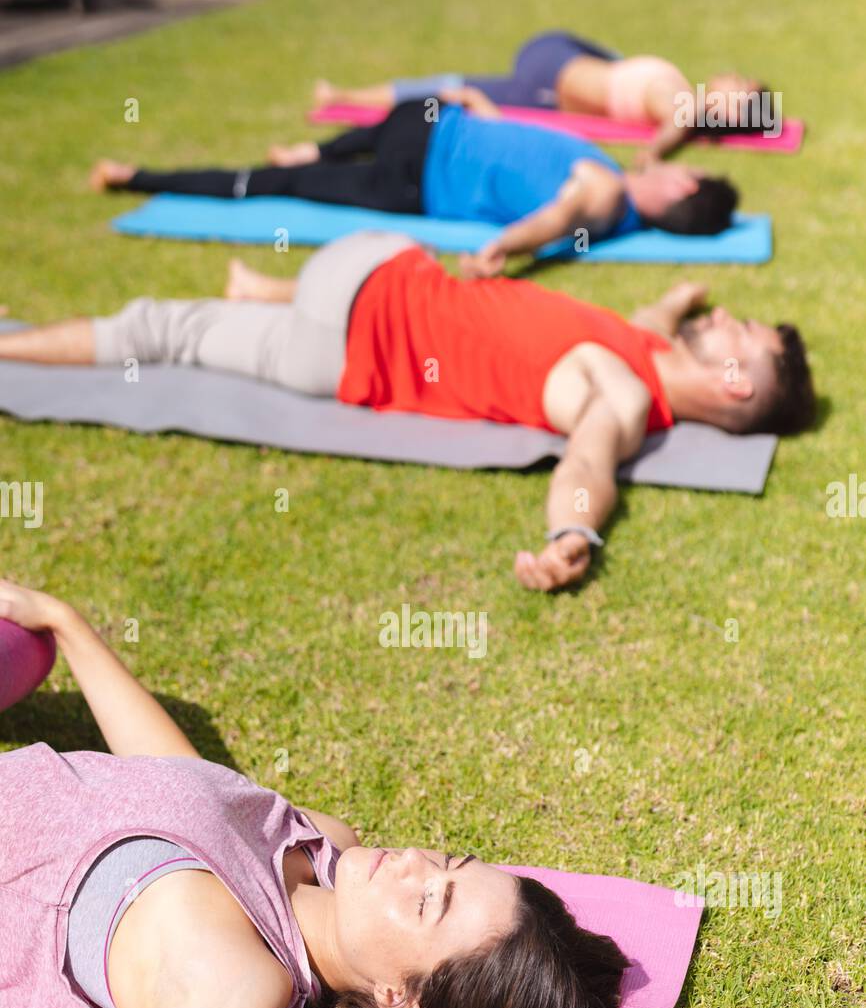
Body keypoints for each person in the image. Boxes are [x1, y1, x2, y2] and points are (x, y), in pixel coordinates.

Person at [0, 576, 650, 1008]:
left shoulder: (236, 987)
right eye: (448, 862)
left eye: (429, 900)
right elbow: (173, 776)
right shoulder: (321, 848)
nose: (412, 864)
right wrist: (67, 625)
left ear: (400, 997)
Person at [0, 231, 816, 592]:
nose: (724, 319)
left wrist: (573, 532)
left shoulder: (627, 395)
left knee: (160, 329)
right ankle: (258, 292)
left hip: (355, 315)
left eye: (738, 331)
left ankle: (16, 348)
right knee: (167, 329)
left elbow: (589, 460)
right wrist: (683, 296)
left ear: (738, 381)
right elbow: (660, 318)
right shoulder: (645, 347)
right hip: (353, 307)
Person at [89, 95, 740, 266]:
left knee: (273, 183)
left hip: (420, 150)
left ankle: (135, 175)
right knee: (282, 181)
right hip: (429, 139)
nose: (680, 165)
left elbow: (557, 218)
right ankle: (303, 157)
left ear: (683, 191)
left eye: (690, 170)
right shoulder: (615, 186)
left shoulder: (606, 195)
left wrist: (504, 246)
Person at [315, 29, 777, 160]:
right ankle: (345, 92)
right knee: (454, 87)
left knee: (454, 89)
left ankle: (345, 93)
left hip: (549, 73)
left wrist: (654, 154)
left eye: (741, 87)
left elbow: (679, 119)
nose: (734, 76)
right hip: (560, 65)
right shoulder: (685, 97)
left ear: (733, 109)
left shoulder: (688, 105)